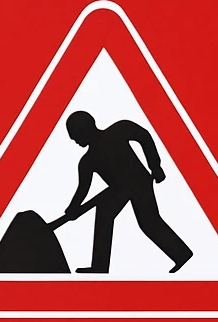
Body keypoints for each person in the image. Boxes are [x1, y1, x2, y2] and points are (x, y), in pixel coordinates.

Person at [63, 110, 193, 274]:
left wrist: (155, 165)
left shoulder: (118, 130)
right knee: (105, 215)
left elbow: (144, 136)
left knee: (149, 223)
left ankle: (181, 254)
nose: (75, 142)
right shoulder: (87, 161)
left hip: (139, 183)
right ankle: (99, 267)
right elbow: (83, 188)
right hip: (119, 190)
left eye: (76, 137)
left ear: (85, 130)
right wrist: (73, 207)